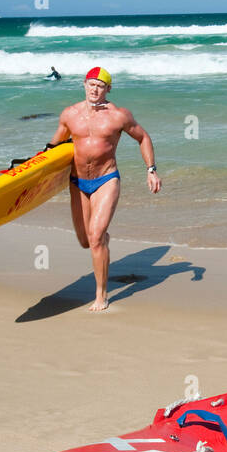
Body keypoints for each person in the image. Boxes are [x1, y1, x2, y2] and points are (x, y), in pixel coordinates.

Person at [49, 67, 161, 312]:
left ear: (108, 89)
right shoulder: (70, 114)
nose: (94, 89)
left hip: (106, 179)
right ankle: (101, 240)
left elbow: (143, 137)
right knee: (84, 240)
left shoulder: (118, 116)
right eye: (91, 84)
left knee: (96, 236)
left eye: (100, 86)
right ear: (84, 85)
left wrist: (151, 170)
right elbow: (52, 148)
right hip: (77, 182)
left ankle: (101, 294)